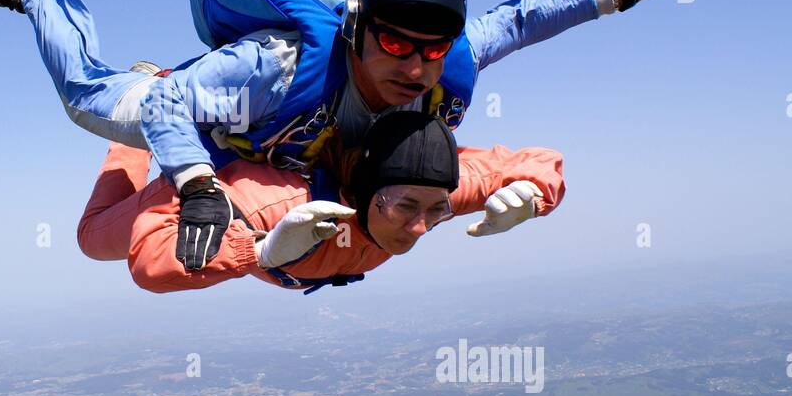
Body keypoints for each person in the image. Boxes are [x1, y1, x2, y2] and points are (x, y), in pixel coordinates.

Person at [0, 0, 697, 271]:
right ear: (358, 28)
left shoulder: (448, 63)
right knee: (88, 102)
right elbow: (164, 111)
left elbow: (524, 19)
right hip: (219, 110)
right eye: (395, 42)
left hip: (280, 149)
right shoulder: (279, 62)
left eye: (431, 47)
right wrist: (197, 184)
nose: (415, 65)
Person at [75, 111, 564, 293]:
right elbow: (151, 261)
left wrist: (534, 197)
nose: (419, 227)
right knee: (92, 239)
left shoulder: (434, 191)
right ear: (367, 191)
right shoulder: (275, 206)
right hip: (200, 199)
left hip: (288, 252)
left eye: (437, 212)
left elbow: (542, 162)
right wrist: (258, 251)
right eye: (405, 207)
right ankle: (139, 128)